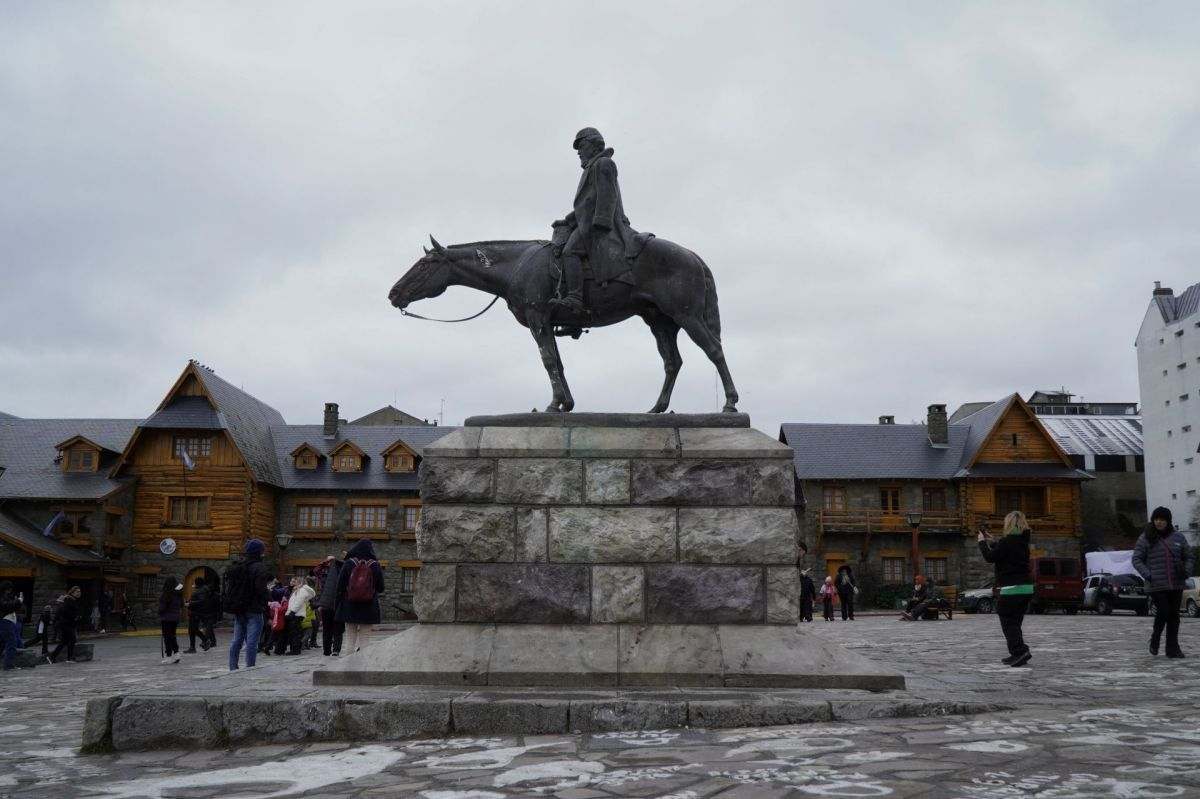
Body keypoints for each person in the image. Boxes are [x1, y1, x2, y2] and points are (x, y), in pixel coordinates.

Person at [549, 127, 648, 315]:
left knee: (570, 252)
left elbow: (606, 197)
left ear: (595, 145)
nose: (578, 151)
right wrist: (567, 221)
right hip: (588, 222)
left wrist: (600, 223)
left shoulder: (604, 164)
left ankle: (575, 298)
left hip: (600, 224)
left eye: (582, 146)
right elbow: (586, 203)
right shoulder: (593, 166)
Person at [1133, 506, 1195, 659]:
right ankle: (1155, 637)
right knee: (1164, 610)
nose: (1159, 522)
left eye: (1162, 519)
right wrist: (1148, 574)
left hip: (1176, 583)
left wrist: (1186, 571)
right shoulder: (1146, 537)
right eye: (1156, 519)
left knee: (1174, 616)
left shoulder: (1178, 537)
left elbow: (1189, 556)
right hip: (1156, 584)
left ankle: (1172, 648)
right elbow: (1136, 559)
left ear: (1168, 521)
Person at [978, 513, 1033, 667]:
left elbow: (990, 557)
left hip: (1011, 588)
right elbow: (1007, 553)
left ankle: (1020, 651)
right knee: (1015, 623)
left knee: (1008, 622)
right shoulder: (1023, 542)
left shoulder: (1007, 541)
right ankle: (1017, 653)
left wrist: (982, 543)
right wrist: (993, 541)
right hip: (1026, 588)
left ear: (1008, 524)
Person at [335, 538, 385, 654]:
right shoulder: (375, 565)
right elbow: (381, 588)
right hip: (369, 607)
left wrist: (338, 606)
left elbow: (339, 586)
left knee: (350, 638)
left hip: (349, 606)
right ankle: (363, 666)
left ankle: (349, 666)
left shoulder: (348, 563)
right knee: (365, 638)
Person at [227, 538, 270, 671]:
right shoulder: (259, 568)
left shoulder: (238, 566)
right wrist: (268, 600)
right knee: (252, 641)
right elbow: (260, 589)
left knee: (236, 640)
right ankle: (250, 667)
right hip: (254, 608)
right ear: (259, 552)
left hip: (239, 608)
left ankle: (233, 666)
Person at [317, 554, 345, 656]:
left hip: (327, 606)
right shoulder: (342, 574)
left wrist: (325, 562)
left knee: (328, 630)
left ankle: (328, 650)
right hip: (336, 606)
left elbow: (316, 571)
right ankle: (335, 650)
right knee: (337, 630)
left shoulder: (325, 578)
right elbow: (316, 571)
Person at [47, 586, 81, 664]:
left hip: (69, 623)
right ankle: (69, 658)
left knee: (65, 641)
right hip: (66, 624)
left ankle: (52, 657)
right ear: (72, 592)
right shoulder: (69, 600)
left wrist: (78, 616)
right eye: (77, 591)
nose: (79, 593)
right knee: (72, 640)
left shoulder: (74, 600)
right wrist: (75, 616)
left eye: (79, 591)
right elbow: (65, 612)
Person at [285, 576, 316, 655]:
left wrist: (292, 612)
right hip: (296, 614)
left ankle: (295, 650)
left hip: (296, 614)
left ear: (299, 582)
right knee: (296, 632)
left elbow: (298, 602)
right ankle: (295, 649)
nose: (293, 583)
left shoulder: (302, 591)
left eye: (295, 581)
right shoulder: (299, 590)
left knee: (295, 633)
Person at [158, 576, 184, 664]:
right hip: (175, 618)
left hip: (166, 618)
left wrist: (160, 613)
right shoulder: (179, 594)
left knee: (167, 637)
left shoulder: (166, 594)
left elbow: (162, 608)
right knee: (172, 636)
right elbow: (181, 605)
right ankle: (176, 654)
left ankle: (168, 656)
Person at [0, 582, 21, 671]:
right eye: (9, 589)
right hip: (5, 620)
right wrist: (18, 601)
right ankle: (9, 665)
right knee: (12, 642)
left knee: (2, 643)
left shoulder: (5, 597)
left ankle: (7, 664)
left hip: (5, 620)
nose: (10, 591)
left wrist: (17, 602)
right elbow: (6, 607)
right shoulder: (2, 597)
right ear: (7, 589)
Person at [184, 577, 208, 653]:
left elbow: (201, 601)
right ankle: (204, 641)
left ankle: (194, 647)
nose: (193, 584)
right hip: (194, 613)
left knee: (192, 630)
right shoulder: (199, 590)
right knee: (193, 630)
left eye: (194, 582)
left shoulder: (201, 590)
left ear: (197, 583)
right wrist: (188, 602)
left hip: (196, 613)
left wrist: (189, 603)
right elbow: (196, 600)